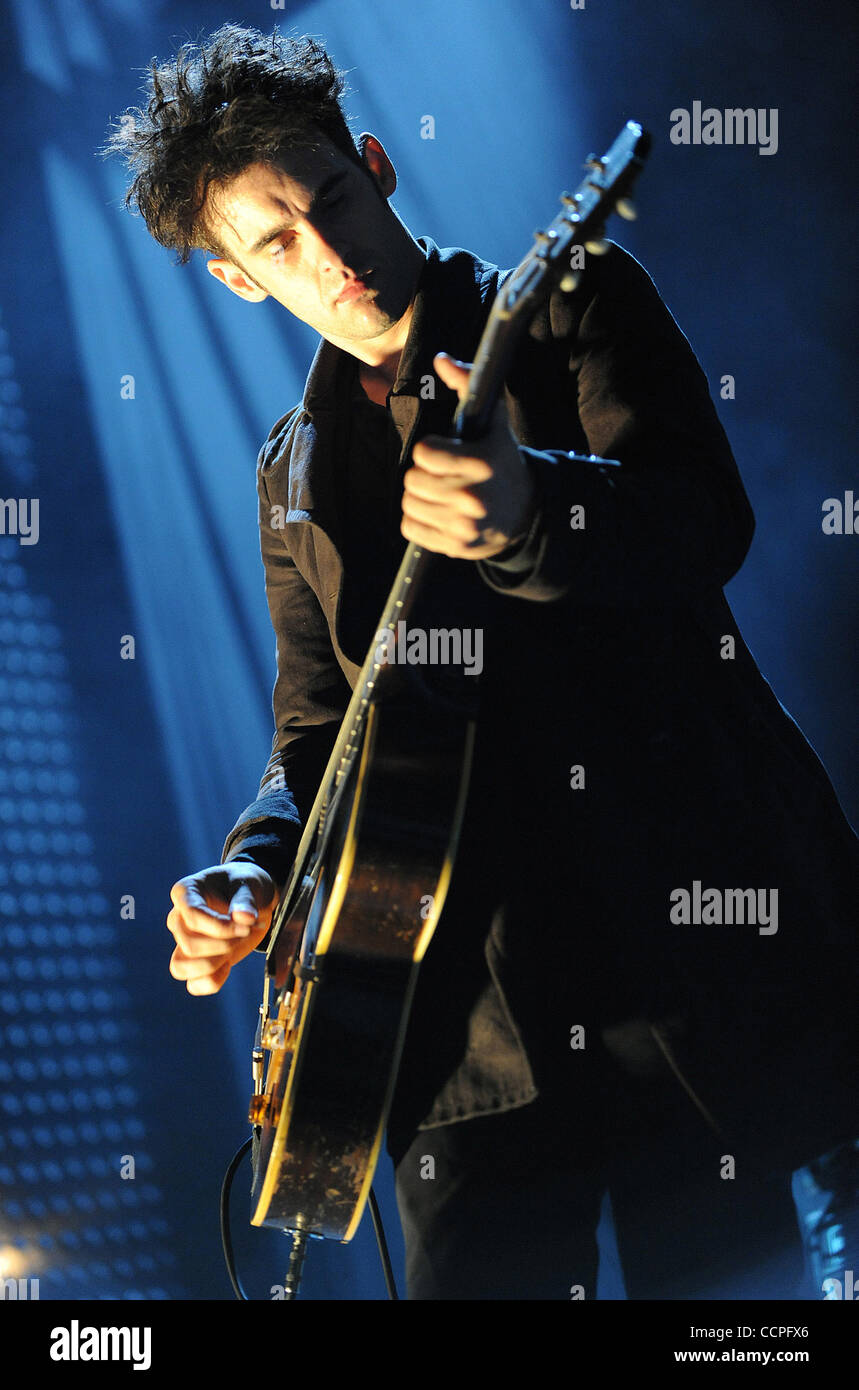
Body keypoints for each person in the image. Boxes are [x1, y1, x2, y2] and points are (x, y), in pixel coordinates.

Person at [104, 24, 857, 1299]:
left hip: (670, 967)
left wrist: (530, 514)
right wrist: (254, 866)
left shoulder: (574, 304)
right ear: (236, 281)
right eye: (276, 244)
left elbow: (705, 522)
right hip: (451, 1028)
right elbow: (315, 731)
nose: (328, 254)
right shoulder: (290, 474)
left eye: (331, 199)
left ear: (377, 164)